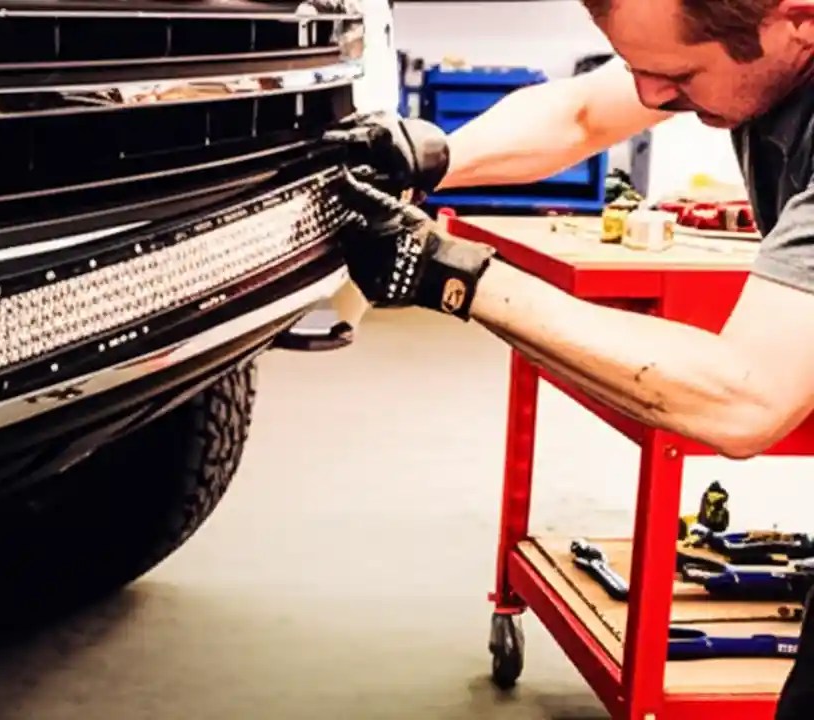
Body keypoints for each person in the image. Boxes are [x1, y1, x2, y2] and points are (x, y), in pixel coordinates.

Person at [322, 0, 814, 716]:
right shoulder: (755, 50)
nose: (651, 96)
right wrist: (432, 155)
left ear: (798, 20)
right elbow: (583, 113)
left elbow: (747, 400)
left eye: (675, 74)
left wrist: (453, 274)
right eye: (640, 68)